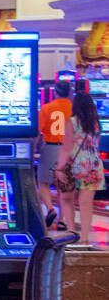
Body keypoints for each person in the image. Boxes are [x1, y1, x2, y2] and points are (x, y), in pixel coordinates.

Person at [54, 85, 104, 244]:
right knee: (86, 202)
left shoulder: (72, 122)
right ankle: (84, 238)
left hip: (75, 164)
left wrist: (60, 167)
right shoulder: (96, 123)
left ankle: (71, 231)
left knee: (66, 197)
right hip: (94, 164)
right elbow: (97, 144)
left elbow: (67, 147)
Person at [36, 80, 72, 228]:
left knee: (43, 182)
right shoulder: (74, 108)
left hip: (51, 147)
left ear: (55, 92)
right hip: (69, 149)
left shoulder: (46, 108)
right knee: (63, 184)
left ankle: (50, 209)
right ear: (69, 93)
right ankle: (63, 220)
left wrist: (34, 149)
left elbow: (37, 132)